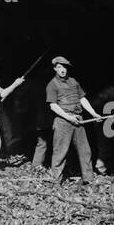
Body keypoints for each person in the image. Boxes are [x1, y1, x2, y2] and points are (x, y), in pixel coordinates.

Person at [44, 56, 104, 184]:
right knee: (60, 152)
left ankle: (88, 179)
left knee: (85, 150)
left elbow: (82, 99)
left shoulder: (73, 82)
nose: (63, 70)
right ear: (55, 68)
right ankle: (55, 180)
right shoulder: (52, 84)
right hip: (63, 122)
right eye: (59, 67)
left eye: (65, 67)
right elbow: (53, 106)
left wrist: (94, 114)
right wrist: (69, 118)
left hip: (78, 120)